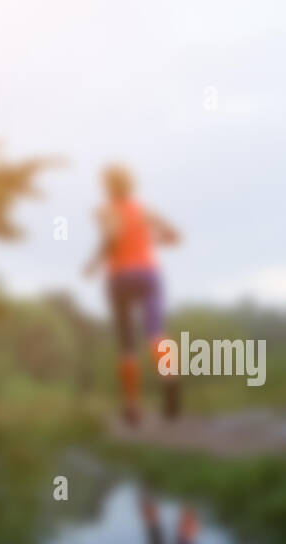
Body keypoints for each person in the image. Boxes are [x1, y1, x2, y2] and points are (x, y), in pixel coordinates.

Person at [84, 165, 181, 426]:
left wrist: (94, 262)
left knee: (127, 343)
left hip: (120, 278)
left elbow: (113, 236)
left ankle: (132, 406)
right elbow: (174, 235)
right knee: (156, 332)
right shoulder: (143, 209)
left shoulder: (106, 210)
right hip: (148, 274)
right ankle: (170, 380)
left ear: (107, 187)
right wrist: (153, 241)